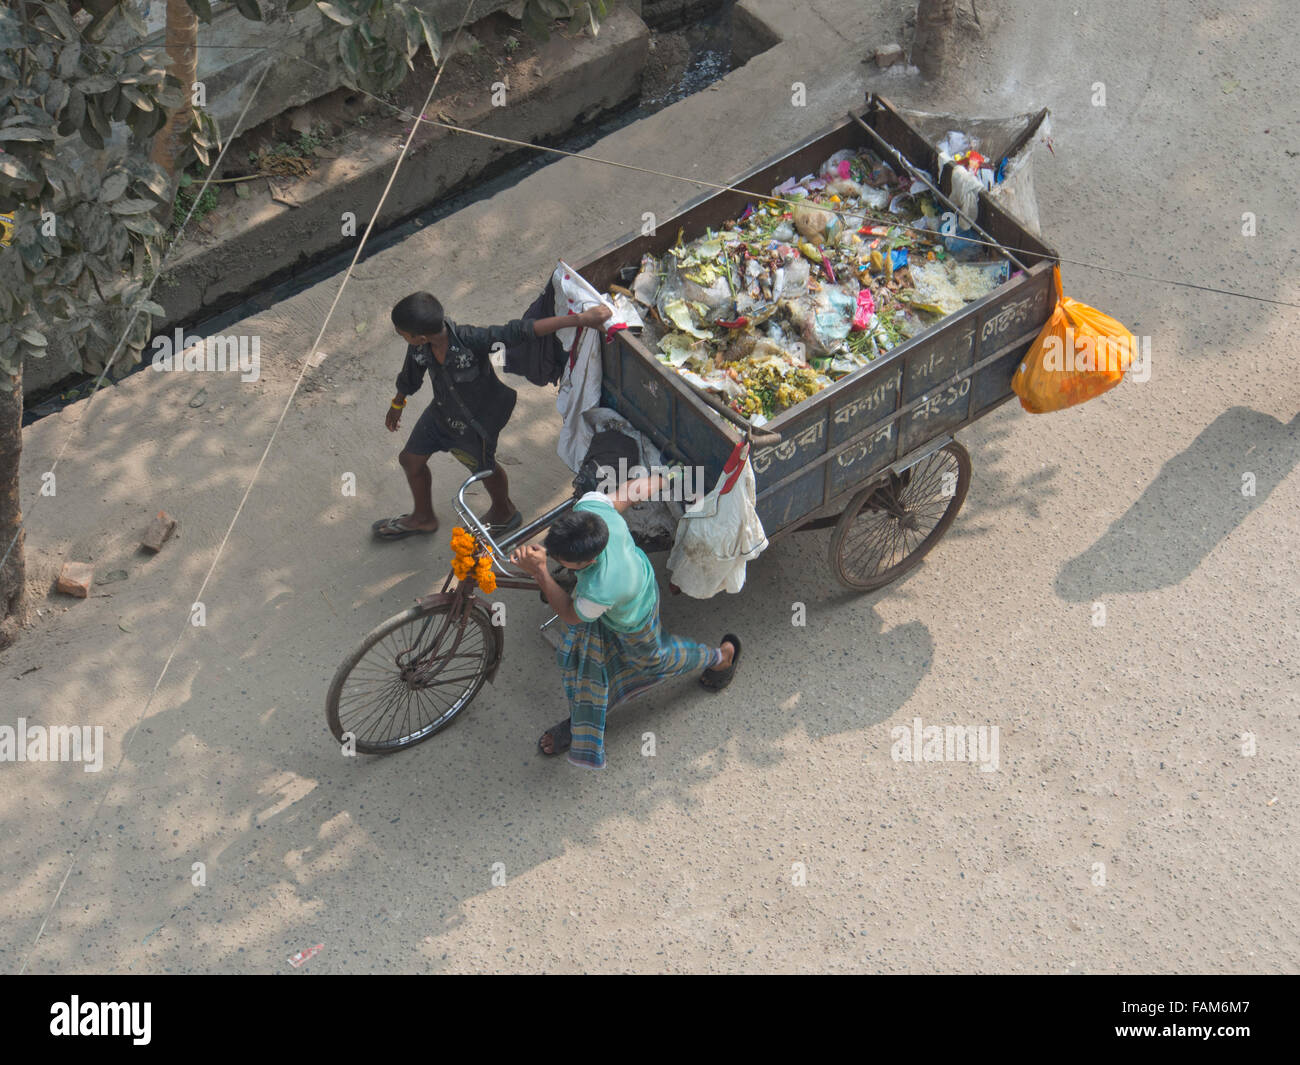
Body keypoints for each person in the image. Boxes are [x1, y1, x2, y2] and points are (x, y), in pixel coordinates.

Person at [510, 471, 741, 770]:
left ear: (588, 563)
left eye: (562, 562)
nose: (555, 561)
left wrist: (540, 573)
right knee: (587, 674)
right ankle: (580, 722)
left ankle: (719, 657)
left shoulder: (602, 587)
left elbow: (569, 614)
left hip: (634, 616)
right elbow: (629, 493)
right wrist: (668, 476)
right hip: (631, 584)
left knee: (655, 660)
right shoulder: (592, 510)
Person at [374, 292, 612, 539]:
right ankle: (423, 518)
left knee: (484, 468)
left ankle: (504, 511)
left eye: (401, 333)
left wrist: (582, 319)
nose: (401, 336)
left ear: (420, 336)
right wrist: (397, 404)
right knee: (410, 460)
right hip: (441, 413)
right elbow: (410, 375)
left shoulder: (471, 339)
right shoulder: (419, 348)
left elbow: (520, 330)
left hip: (477, 422)